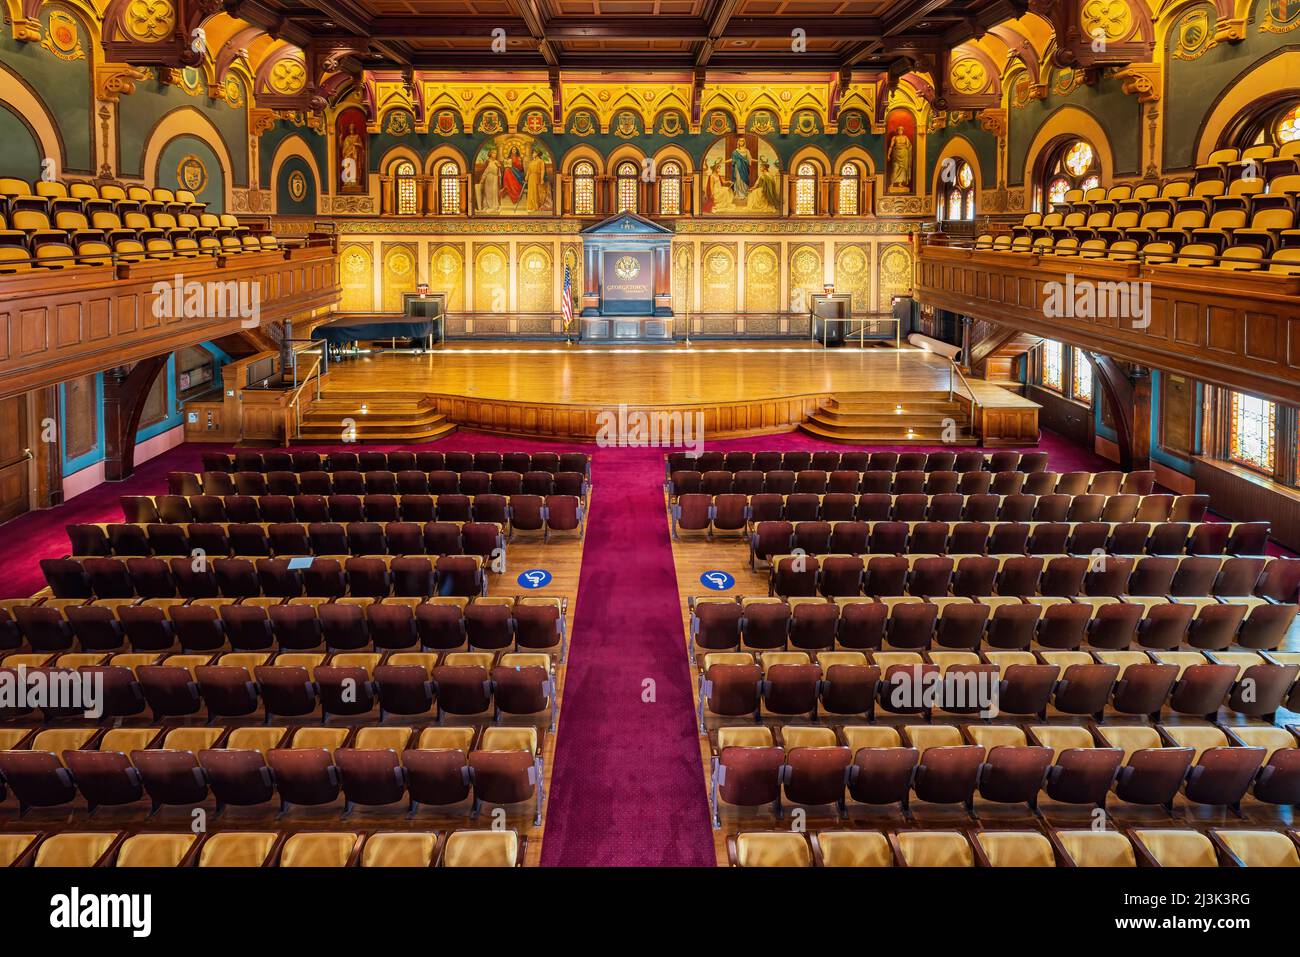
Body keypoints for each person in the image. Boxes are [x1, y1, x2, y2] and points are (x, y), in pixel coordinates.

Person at [888, 125, 913, 192]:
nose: (900, 131)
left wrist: (908, 150)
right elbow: (891, 146)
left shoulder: (905, 137)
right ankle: (892, 183)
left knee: (903, 169)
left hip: (904, 154)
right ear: (897, 131)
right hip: (896, 154)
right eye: (899, 130)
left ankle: (900, 183)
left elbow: (909, 146)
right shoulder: (894, 138)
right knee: (895, 168)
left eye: (901, 130)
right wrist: (888, 155)